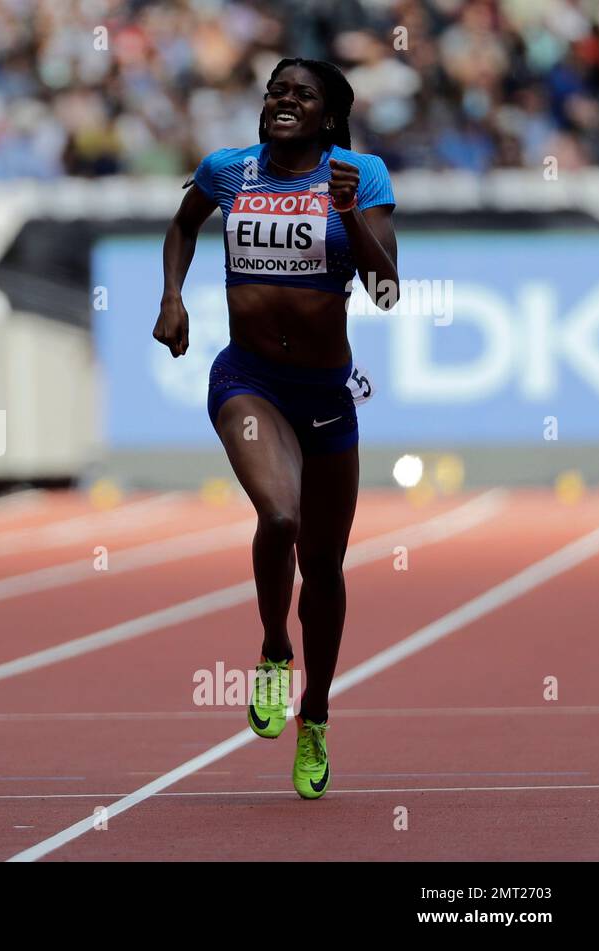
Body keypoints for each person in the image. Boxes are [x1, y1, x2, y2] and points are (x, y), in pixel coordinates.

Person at [153, 58, 398, 799]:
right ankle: (271, 649)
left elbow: (387, 291)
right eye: (276, 90)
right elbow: (181, 225)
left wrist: (351, 215)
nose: (284, 100)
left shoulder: (360, 173)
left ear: (328, 115)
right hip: (248, 379)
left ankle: (314, 716)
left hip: (325, 392)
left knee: (324, 568)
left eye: (303, 94)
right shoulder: (228, 170)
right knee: (280, 513)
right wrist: (172, 297)